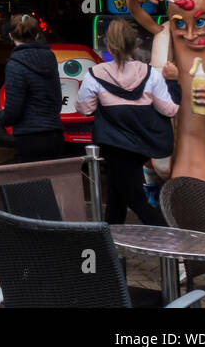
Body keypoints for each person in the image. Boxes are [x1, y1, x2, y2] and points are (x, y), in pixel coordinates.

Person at [76, 17, 177, 225]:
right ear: (135, 44)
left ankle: (173, 243)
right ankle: (111, 247)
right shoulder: (151, 74)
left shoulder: (95, 75)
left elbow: (85, 109)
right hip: (141, 145)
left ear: (108, 45)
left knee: (136, 200)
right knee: (116, 198)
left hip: (114, 146)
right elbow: (169, 110)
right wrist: (174, 81)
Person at [0, 13, 65, 162]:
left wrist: (2, 117)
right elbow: (56, 100)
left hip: (29, 136)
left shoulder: (15, 65)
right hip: (55, 132)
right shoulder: (50, 58)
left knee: (31, 184)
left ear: (10, 36)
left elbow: (13, 110)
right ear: (36, 36)